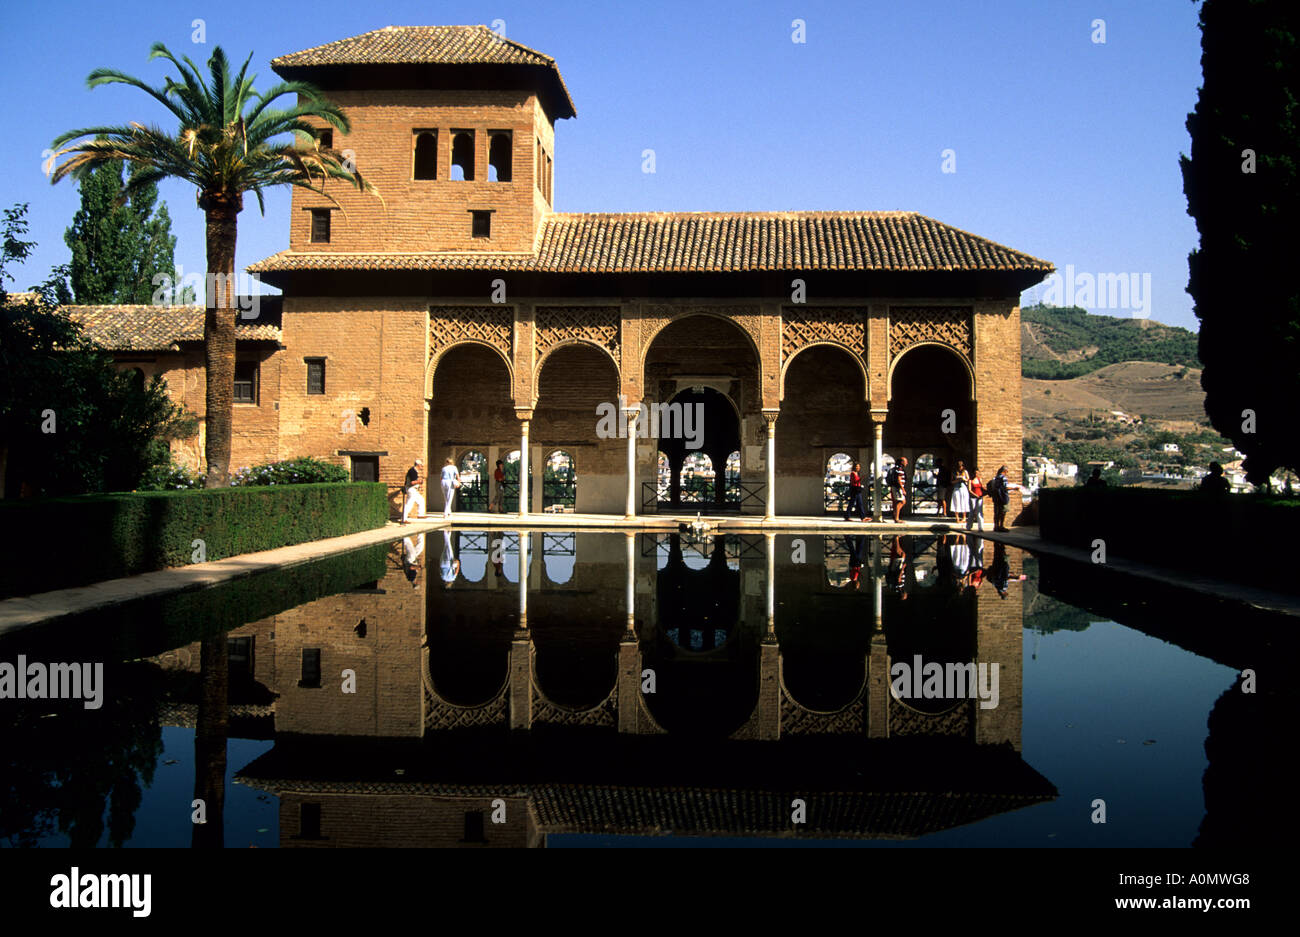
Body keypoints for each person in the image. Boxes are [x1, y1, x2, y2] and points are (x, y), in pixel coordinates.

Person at [987, 465, 1022, 532]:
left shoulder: (996, 477)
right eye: (1007, 471)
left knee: (997, 512)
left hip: (996, 497)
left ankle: (996, 526)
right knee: (1003, 512)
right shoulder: (1003, 478)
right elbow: (1005, 487)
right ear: (1005, 471)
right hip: (1003, 497)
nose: (1007, 473)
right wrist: (1015, 488)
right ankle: (1001, 526)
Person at [401, 458, 424, 524]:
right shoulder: (413, 471)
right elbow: (412, 482)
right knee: (409, 504)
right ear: (418, 465)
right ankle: (404, 519)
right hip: (411, 489)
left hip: (413, 489)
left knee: (421, 500)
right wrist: (419, 481)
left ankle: (420, 515)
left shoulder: (414, 471)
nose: (421, 467)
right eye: (421, 465)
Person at [950, 459, 971, 525]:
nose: (960, 467)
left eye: (961, 466)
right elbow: (951, 481)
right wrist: (957, 480)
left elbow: (968, 479)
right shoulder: (954, 472)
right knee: (956, 502)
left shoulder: (965, 472)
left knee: (964, 502)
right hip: (956, 488)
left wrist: (963, 479)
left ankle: (964, 517)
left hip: (963, 488)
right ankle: (957, 517)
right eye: (959, 466)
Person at [888, 457, 909, 523]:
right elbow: (899, 480)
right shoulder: (900, 469)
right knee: (902, 502)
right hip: (897, 488)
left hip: (896, 487)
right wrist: (903, 489)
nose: (907, 463)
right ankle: (896, 518)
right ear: (902, 462)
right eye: (906, 461)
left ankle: (895, 516)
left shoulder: (898, 468)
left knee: (900, 502)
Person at [967, 466, 986, 531]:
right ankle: (969, 526)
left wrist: (987, 490)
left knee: (979, 512)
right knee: (972, 512)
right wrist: (975, 495)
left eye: (977, 473)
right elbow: (969, 490)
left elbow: (982, 487)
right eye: (975, 473)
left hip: (979, 497)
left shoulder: (979, 479)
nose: (976, 474)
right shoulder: (970, 480)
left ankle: (981, 528)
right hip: (973, 498)